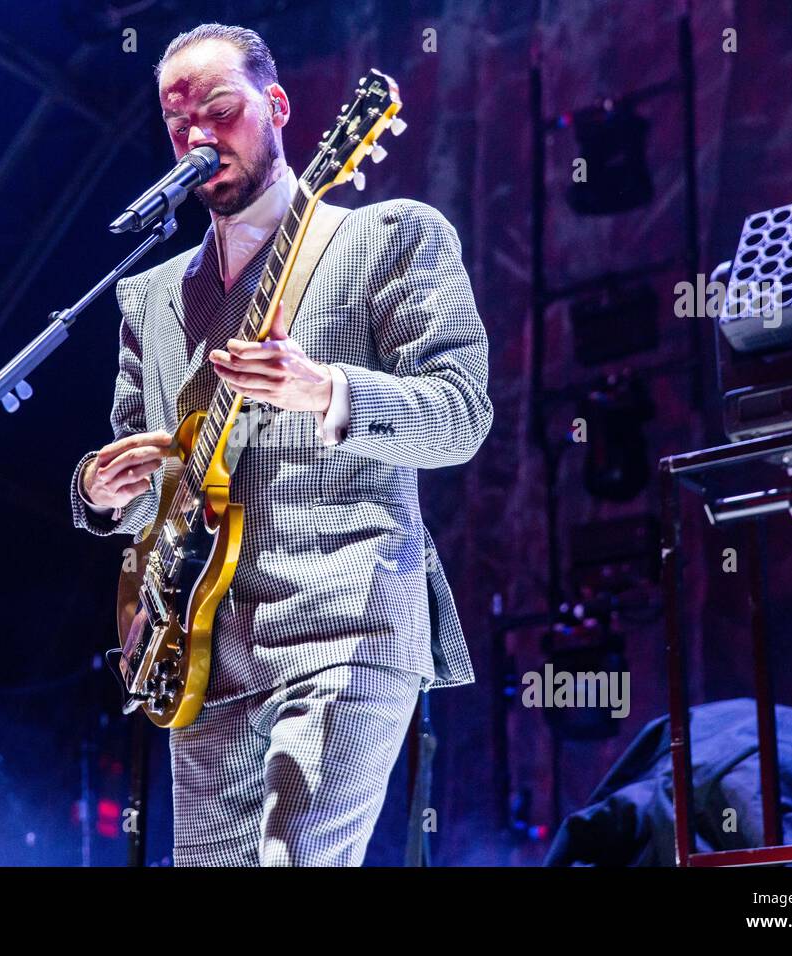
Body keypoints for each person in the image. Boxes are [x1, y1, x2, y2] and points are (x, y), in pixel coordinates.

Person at [70, 23, 492, 865]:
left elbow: (460, 416)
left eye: (221, 111)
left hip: (348, 624)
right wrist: (100, 490)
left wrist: (326, 389)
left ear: (278, 106)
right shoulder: (150, 298)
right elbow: (142, 477)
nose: (197, 137)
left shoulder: (391, 237)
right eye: (177, 122)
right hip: (200, 653)